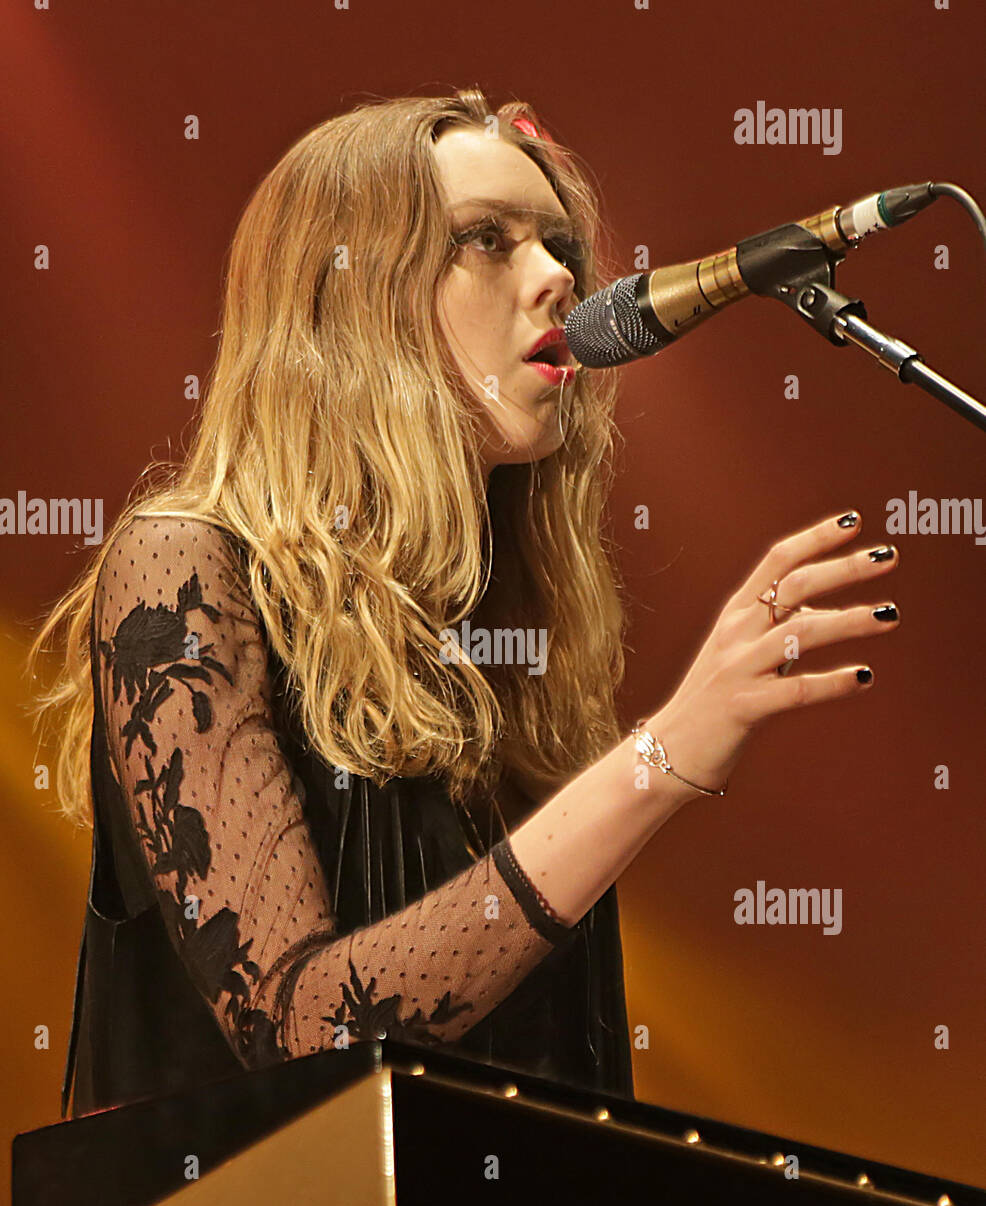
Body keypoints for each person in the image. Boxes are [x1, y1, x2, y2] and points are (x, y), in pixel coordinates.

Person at [26, 88, 900, 1120]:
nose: (559, 276)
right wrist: (659, 761)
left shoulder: (503, 637)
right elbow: (301, 1026)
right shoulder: (183, 568)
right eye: (487, 239)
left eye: (558, 243)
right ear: (352, 294)